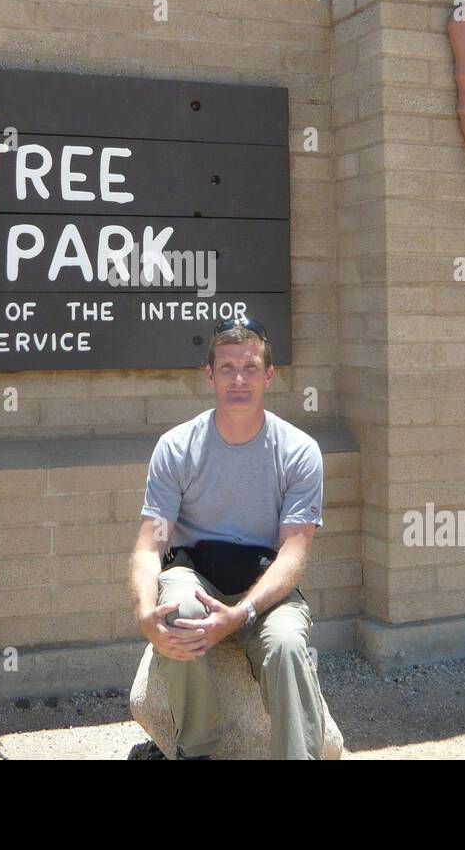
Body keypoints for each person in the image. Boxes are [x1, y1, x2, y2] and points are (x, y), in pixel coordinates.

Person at [130, 315, 327, 759]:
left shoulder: (298, 451)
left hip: (263, 579)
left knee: (289, 646)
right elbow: (150, 544)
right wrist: (144, 612)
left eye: (251, 367)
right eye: (227, 368)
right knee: (176, 612)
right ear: (210, 375)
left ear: (269, 375)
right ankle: (197, 750)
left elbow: (295, 550)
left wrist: (242, 614)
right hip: (195, 571)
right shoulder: (177, 447)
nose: (239, 378)